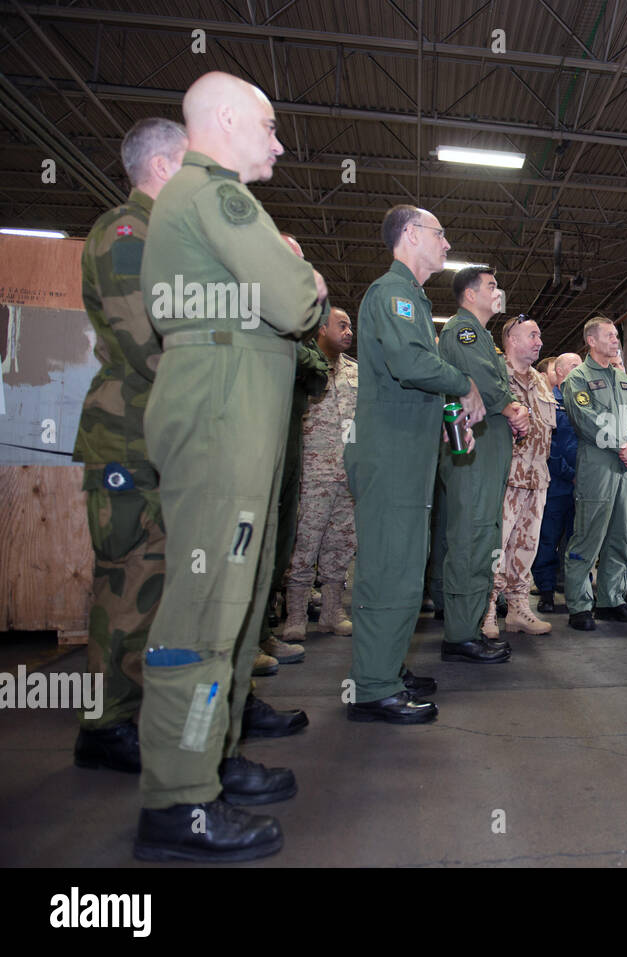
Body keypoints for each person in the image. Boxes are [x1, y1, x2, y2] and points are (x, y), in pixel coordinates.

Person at [135, 72, 330, 862]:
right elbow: (295, 301)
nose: (279, 142)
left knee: (238, 606)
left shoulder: (202, 201)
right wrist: (302, 278)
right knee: (207, 609)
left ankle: (210, 754)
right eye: (269, 124)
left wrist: (291, 281)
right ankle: (178, 799)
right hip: (221, 420)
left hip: (232, 415)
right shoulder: (216, 196)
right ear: (223, 119)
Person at [72, 117, 187, 775]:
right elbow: (151, 345)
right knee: (127, 583)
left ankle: (129, 713)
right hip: (126, 436)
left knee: (153, 578)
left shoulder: (155, 235)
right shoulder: (127, 235)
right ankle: (105, 725)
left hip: (150, 435)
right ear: (165, 166)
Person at [346, 205, 487, 724]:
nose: (447, 244)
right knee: (390, 567)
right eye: (440, 233)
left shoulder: (411, 298)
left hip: (404, 453)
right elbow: (409, 363)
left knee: (405, 564)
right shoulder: (393, 294)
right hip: (390, 453)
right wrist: (463, 383)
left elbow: (413, 372)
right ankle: (373, 687)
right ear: (410, 235)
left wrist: (453, 403)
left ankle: (385, 666)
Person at [438, 268, 528, 661]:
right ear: (469, 294)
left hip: (487, 448)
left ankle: (470, 626)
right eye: (492, 285)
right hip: (473, 447)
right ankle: (459, 634)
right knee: (470, 535)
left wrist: (514, 410)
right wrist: (511, 406)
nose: (499, 291)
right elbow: (479, 380)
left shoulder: (483, 338)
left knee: (482, 534)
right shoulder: (464, 331)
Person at [257, 232, 329, 669]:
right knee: (251, 536)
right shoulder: (250, 301)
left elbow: (318, 371)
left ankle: (261, 634)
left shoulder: (296, 324)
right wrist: (293, 355)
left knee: (281, 535)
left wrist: (293, 354)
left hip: (289, 431)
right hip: (254, 428)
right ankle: (241, 643)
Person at [562, 318, 627, 630]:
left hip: (625, 465)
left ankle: (611, 600)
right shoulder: (578, 379)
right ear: (591, 341)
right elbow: (587, 419)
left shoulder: (622, 379)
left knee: (619, 536)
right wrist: (620, 446)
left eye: (616, 336)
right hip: (597, 463)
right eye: (610, 336)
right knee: (588, 536)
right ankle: (580, 605)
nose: (616, 341)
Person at [283, 306, 357, 639]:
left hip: (348, 477)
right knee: (304, 547)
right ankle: (295, 616)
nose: (349, 332)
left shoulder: (357, 373)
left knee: (340, 547)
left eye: (351, 327)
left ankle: (331, 612)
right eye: (341, 325)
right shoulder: (304, 370)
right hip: (312, 475)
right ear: (322, 329)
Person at [481, 315, 556, 638]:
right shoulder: (496, 376)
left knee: (526, 548)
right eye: (533, 335)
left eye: (539, 336)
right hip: (505, 478)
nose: (539, 342)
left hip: (537, 478)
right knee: (495, 549)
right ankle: (484, 611)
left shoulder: (540, 381)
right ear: (511, 339)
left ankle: (518, 610)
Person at [532, 351, 580, 612]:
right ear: (559, 372)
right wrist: (569, 473)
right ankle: (546, 591)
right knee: (548, 540)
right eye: (574, 366)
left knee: (578, 540)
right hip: (557, 484)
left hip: (583, 485)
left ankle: (578, 591)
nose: (579, 369)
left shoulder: (587, 402)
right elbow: (547, 445)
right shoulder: (550, 402)